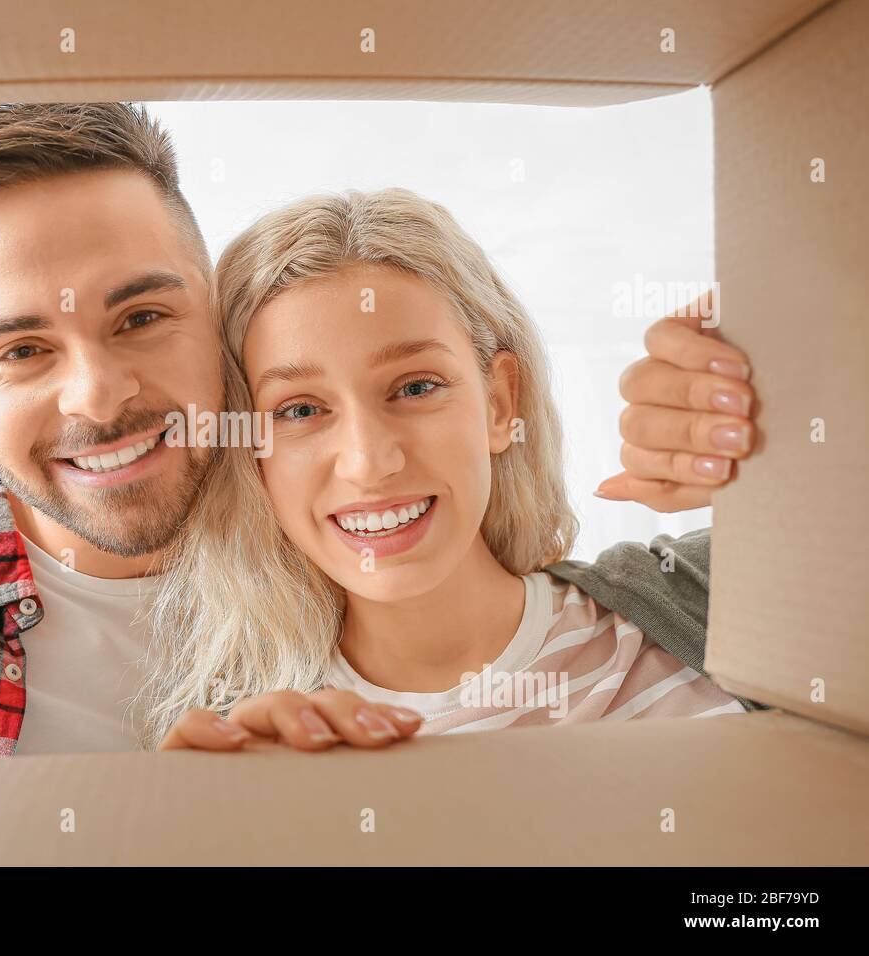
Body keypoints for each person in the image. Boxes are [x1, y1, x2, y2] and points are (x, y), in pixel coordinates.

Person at [0, 104, 757, 768]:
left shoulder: (694, 598)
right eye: (21, 348)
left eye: (142, 316)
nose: (97, 394)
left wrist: (779, 396)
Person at [143, 188, 752, 748]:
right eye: (299, 409)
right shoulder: (254, 751)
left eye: (415, 387)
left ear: (499, 402)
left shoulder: (716, 593)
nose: (369, 461)